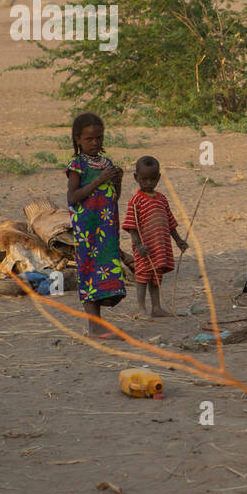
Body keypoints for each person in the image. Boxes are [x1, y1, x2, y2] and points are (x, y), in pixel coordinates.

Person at [66, 112, 128, 337]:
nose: (95, 143)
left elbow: (113, 197)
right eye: (89, 139)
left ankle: (99, 323)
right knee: (89, 270)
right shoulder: (77, 165)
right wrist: (99, 179)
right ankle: (94, 326)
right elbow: (73, 198)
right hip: (88, 229)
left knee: (106, 270)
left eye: (99, 138)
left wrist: (116, 181)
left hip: (107, 228)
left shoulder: (106, 163)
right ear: (78, 140)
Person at [122, 156, 188, 317]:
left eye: (152, 179)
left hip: (160, 246)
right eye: (144, 179)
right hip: (144, 248)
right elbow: (132, 226)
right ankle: (141, 308)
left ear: (158, 178)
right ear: (136, 178)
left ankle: (156, 307)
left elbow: (170, 223)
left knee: (156, 277)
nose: (148, 183)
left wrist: (179, 241)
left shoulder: (162, 199)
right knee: (143, 276)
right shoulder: (135, 201)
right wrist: (138, 246)